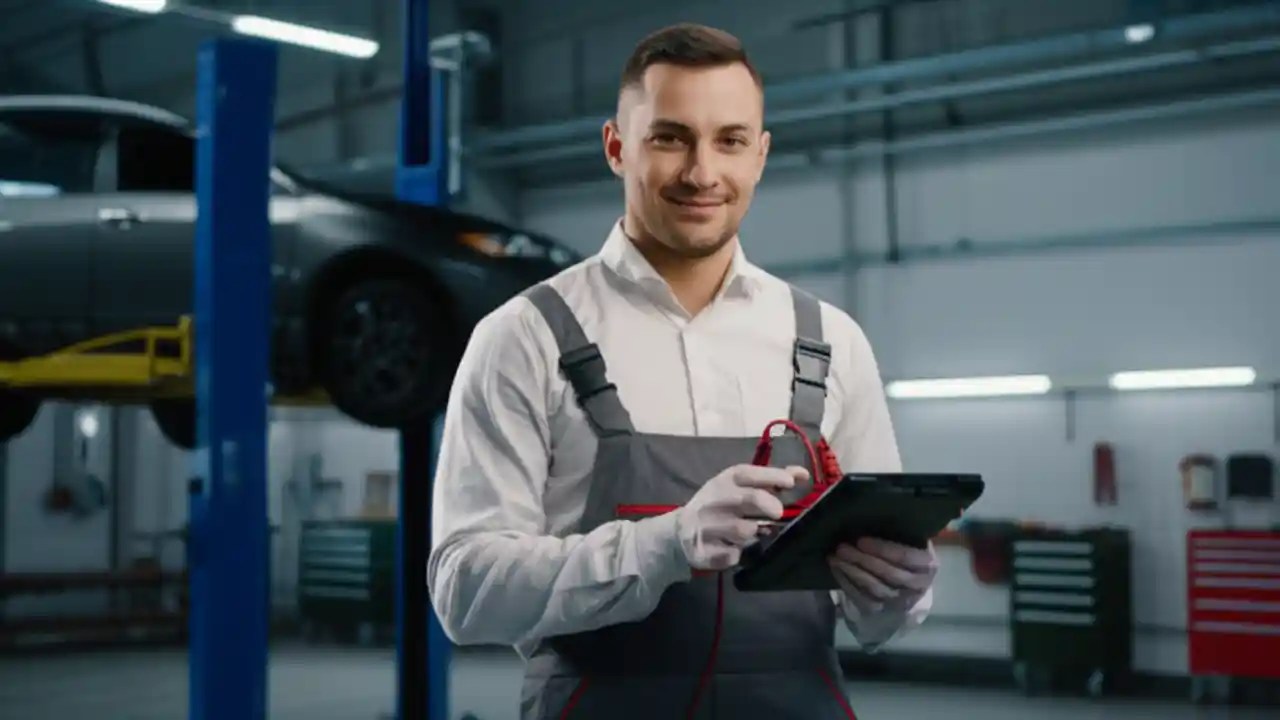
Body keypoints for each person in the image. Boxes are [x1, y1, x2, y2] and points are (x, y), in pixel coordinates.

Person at [428, 22, 937, 720]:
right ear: (616, 148)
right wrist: (666, 544)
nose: (703, 172)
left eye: (730, 141)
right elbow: (465, 591)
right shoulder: (524, 337)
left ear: (760, 155)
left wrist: (897, 591)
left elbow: (875, 623)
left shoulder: (830, 342)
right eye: (670, 137)